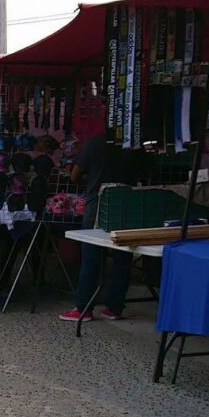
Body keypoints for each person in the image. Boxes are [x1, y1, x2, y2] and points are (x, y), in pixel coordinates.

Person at [59, 134, 134, 322]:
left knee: (91, 259)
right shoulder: (133, 143)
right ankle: (114, 307)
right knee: (123, 259)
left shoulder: (95, 143)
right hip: (127, 205)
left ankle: (83, 308)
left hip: (97, 205)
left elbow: (74, 176)